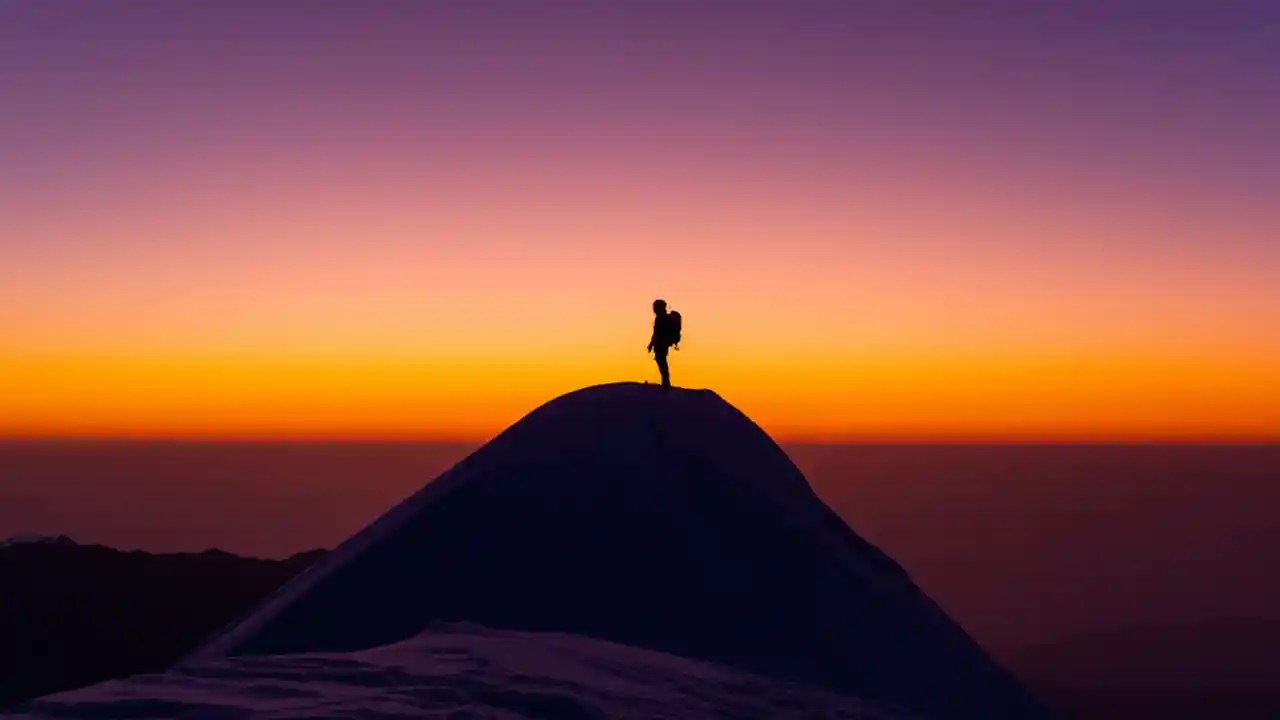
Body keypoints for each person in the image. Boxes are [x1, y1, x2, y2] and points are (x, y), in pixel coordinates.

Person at [647, 299, 678, 388]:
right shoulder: (663, 317)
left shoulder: (660, 318)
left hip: (660, 343)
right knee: (661, 360)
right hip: (663, 343)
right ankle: (665, 382)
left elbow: (656, 333)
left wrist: (651, 344)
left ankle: (666, 383)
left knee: (661, 360)